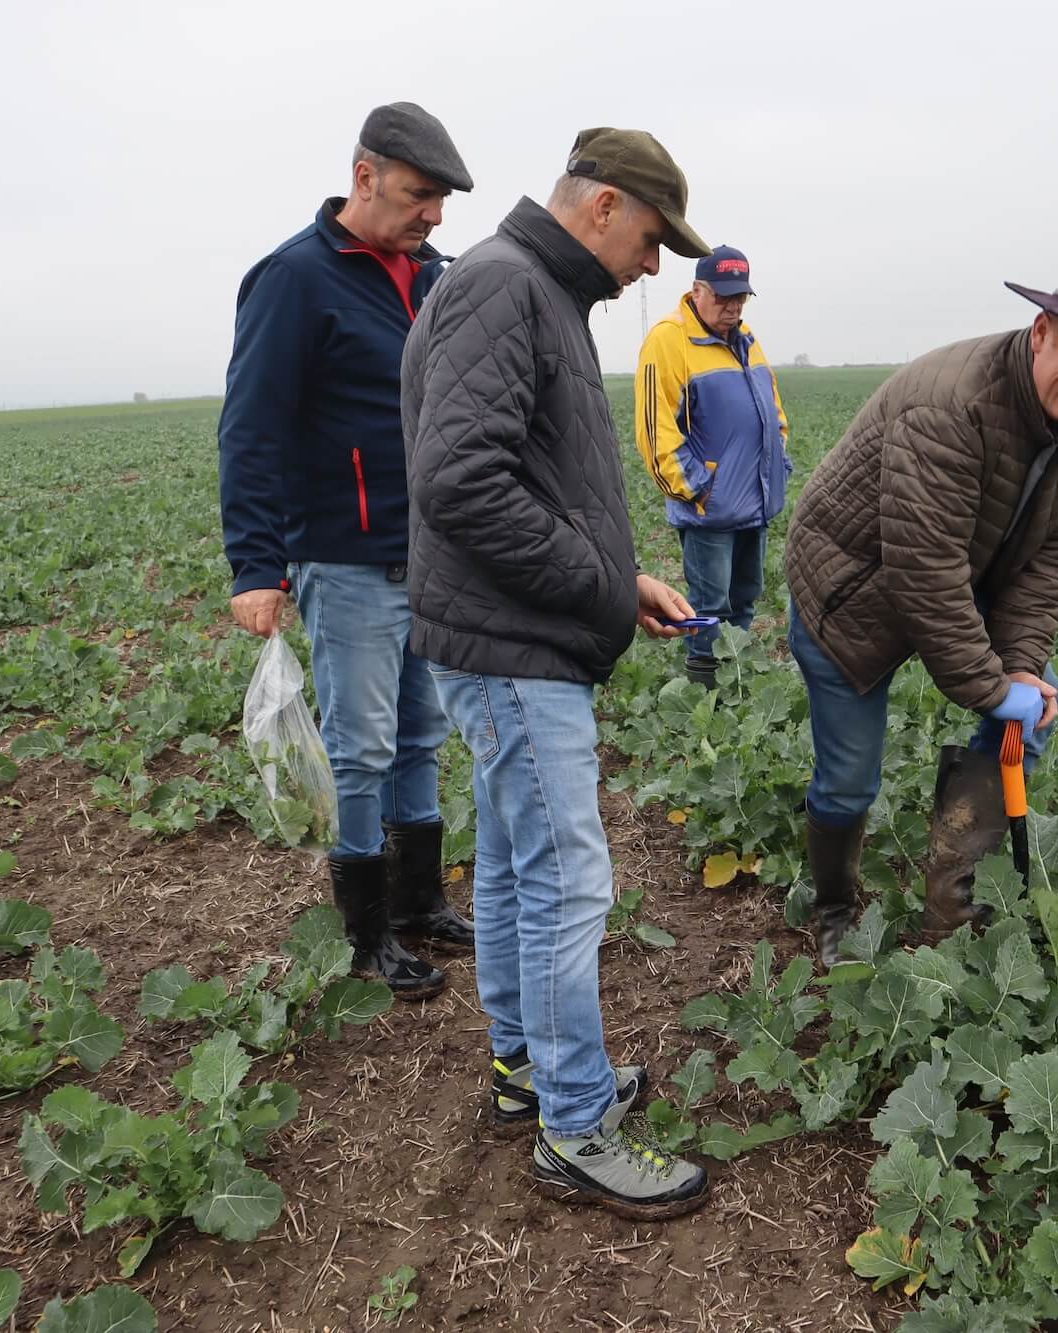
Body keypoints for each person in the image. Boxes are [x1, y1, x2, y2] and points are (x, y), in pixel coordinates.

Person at [402, 128, 715, 1220]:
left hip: (505, 634)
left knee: (513, 864)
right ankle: (575, 1123)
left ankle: (526, 1068)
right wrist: (591, 578)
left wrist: (615, 576)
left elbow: (520, 474)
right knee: (567, 880)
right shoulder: (505, 287)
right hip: (516, 645)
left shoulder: (528, 287)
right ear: (601, 207)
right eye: (650, 237)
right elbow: (460, 481)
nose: (655, 266)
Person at [782, 249, 1058, 966]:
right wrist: (987, 685)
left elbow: (1047, 558)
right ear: (1042, 332)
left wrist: (1022, 669)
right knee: (850, 773)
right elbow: (923, 570)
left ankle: (954, 899)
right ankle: (836, 908)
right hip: (851, 585)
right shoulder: (951, 405)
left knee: (1025, 716)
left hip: (954, 574)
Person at [217, 102, 479, 1001]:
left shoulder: (435, 278)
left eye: (442, 200)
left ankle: (417, 902)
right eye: (419, 195)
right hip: (347, 556)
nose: (434, 215)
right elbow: (252, 429)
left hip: (432, 556)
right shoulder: (294, 279)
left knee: (421, 733)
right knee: (362, 747)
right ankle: (365, 933)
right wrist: (257, 565)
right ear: (363, 176)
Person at [633, 245, 790, 688]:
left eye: (740, 297)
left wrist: (779, 463)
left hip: (754, 502)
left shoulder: (747, 339)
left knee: (745, 599)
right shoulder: (668, 340)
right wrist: (698, 489)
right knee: (707, 605)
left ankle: (738, 678)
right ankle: (705, 689)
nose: (732, 306)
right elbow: (654, 428)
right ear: (697, 291)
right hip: (710, 509)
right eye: (723, 297)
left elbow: (773, 409)